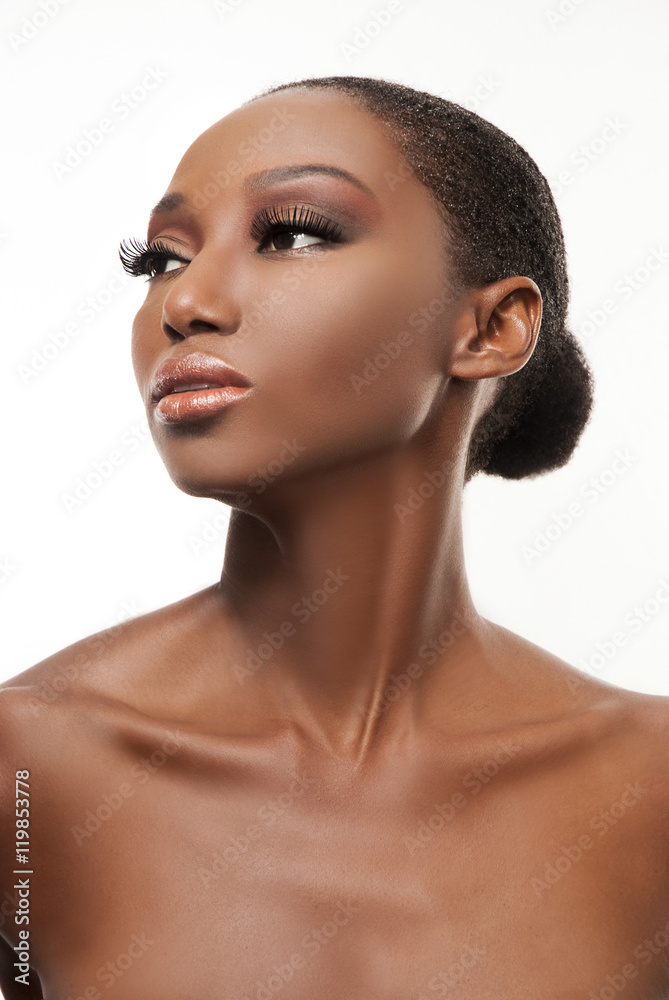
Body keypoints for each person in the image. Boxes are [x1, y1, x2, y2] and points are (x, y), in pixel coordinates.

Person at [1, 74, 668, 1000]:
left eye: (294, 234)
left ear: (491, 328)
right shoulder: (28, 773)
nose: (184, 303)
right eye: (159, 258)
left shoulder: (649, 791)